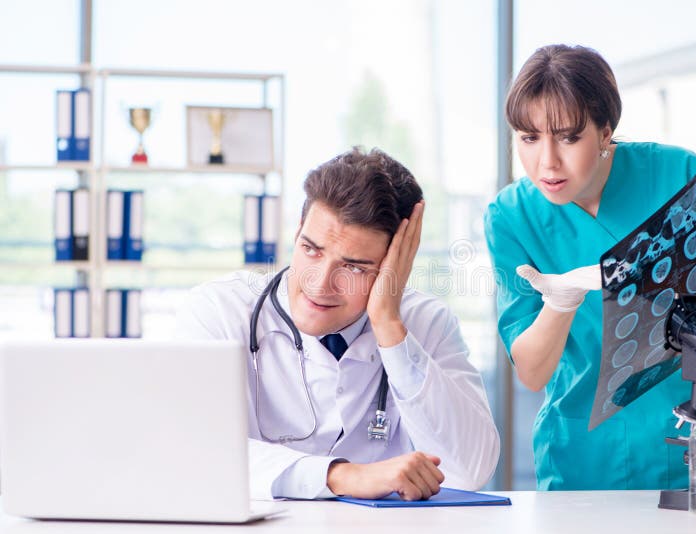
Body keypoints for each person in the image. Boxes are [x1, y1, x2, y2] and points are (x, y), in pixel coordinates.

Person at [484, 44, 696, 491]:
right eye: (529, 138)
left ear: (606, 131)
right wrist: (559, 304)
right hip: (585, 455)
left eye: (569, 137)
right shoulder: (511, 216)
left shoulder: (678, 173)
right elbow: (532, 372)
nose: (546, 162)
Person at [176, 147, 500, 500]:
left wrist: (389, 326)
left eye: (354, 267)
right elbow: (194, 450)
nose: (319, 283)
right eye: (311, 249)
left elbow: (470, 470)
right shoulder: (219, 311)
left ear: (396, 264)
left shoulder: (424, 323)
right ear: (297, 231)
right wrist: (341, 476)